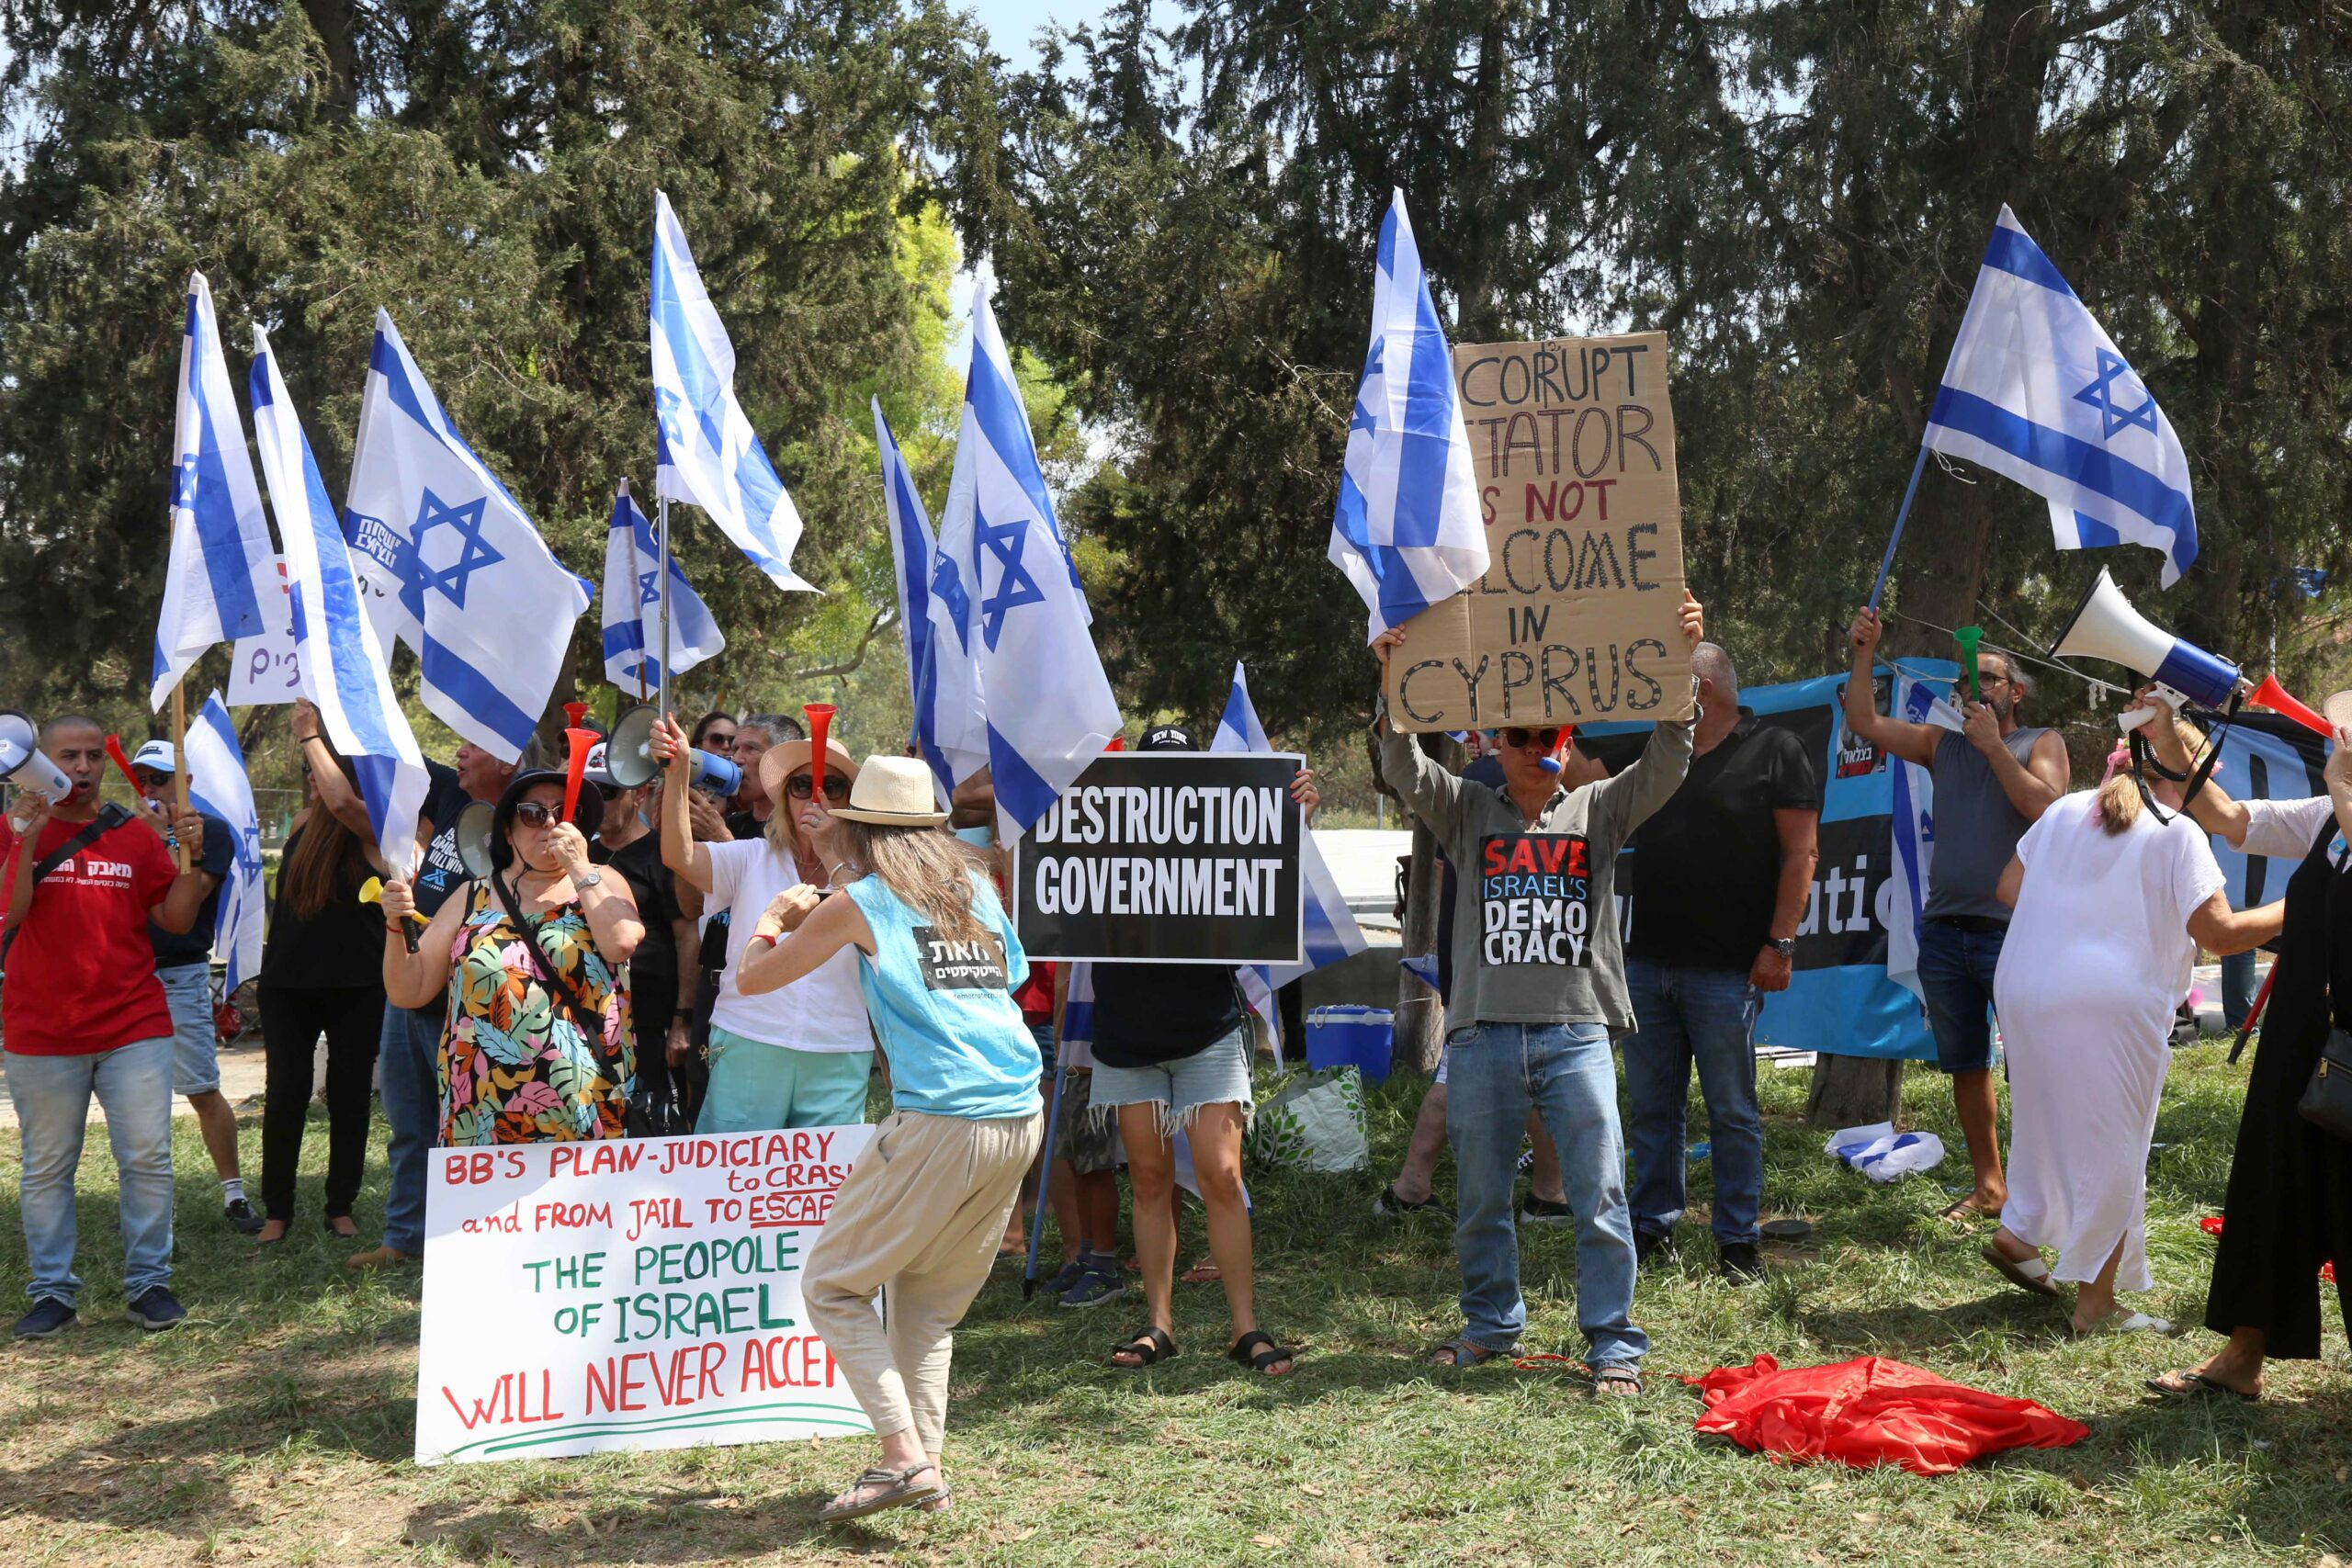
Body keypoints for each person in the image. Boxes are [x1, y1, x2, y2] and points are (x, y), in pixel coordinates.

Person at [1374, 590, 1706, 1393]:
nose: (1535, 748)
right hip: (1483, 1034)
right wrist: (1394, 683)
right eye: (1519, 736)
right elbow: (1403, 767)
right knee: (1483, 1197)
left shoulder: (1598, 807)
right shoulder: (1465, 809)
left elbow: (1668, 759)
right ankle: (1491, 1324)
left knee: (1599, 1195)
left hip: (1578, 1032)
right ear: (1494, 741)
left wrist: (1682, 666)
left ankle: (1614, 1346)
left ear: (1565, 739)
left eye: (1548, 735)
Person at [733, 755, 1045, 1522]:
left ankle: (902, 1459)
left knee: (832, 1285)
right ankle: (926, 1469)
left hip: (942, 1117)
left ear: (859, 825)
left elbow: (755, 980)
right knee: (925, 1307)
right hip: (1019, 1110)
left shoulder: (856, 902)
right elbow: (1007, 973)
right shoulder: (973, 886)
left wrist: (773, 920)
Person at [1983, 723, 2282, 1334]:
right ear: (2187, 776)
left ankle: (2019, 1234)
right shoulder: (2180, 833)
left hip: (2024, 985)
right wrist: (2303, 903)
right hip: (2109, 999)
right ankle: (2096, 1304)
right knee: (2118, 1145)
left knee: (2043, 1119)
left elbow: (2009, 886)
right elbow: (2220, 935)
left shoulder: (2067, 808)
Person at [2139, 701, 2352, 1399]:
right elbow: (2232, 820)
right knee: (2269, 1184)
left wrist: (2344, 787)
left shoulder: (2342, 806)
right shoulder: (2326, 814)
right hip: (2300, 1032)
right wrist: (2171, 741)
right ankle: (2241, 1357)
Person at [1092, 724, 1311, 1378]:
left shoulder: (1228, 839)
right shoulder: (1103, 838)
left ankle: (1245, 1326)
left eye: (1181, 773)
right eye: (1154, 772)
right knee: (1150, 1179)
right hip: (1126, 1036)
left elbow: (1272, 878)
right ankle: (1160, 1323)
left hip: (1208, 1030)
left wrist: (1294, 815)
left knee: (1222, 1176)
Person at [1843, 609, 2068, 1222]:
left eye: (1991, 679)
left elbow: (2045, 809)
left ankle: (2044, 1189)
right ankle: (1990, 1185)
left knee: (2033, 1067)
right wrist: (1864, 652)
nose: (1977, 687)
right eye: (1971, 681)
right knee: (1967, 1066)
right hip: (1944, 933)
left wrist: (1994, 747)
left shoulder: (2040, 742)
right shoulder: (1940, 744)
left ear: (2015, 691)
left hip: (2015, 933)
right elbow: (1862, 720)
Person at [303, 702, 542, 1269]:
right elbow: (385, 752)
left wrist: (309, 734)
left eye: (475, 745)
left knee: (464, 1125)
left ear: (509, 763)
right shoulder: (453, 800)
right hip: (412, 982)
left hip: (467, 1001)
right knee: (409, 1124)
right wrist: (339, 700)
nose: (459, 751)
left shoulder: (527, 831)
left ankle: (465, 1242)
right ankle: (404, 1238)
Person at [2, 714, 215, 1337]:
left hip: (134, 1023)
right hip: (42, 1031)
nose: (85, 768)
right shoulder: (13, 829)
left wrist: (190, 859)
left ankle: (149, 1284)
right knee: (46, 1166)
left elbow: (175, 920)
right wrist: (23, 838)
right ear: (40, 761)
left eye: (94, 755)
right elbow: (7, 912)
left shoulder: (131, 832)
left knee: (147, 1158)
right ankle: (52, 1293)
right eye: (70, 755)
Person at [1622, 643, 1820, 1280]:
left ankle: (1736, 1241)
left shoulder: (1775, 749)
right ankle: (1652, 1226)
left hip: (1727, 968)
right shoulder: (1658, 750)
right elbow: (1577, 773)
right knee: (1653, 1106)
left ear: (1701, 689)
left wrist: (1780, 942)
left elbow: (1802, 854)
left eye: (1665, 685)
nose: (1655, 698)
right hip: (1648, 962)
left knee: (1731, 1108)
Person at [379, 770, 641, 1143]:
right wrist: (395, 926)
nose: (550, 823)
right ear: (506, 830)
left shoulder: (602, 881)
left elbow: (622, 941)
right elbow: (411, 990)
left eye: (566, 813)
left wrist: (579, 866)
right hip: (480, 1110)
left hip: (583, 1107)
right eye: (534, 813)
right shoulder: (471, 895)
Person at [650, 712, 872, 1132]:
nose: (815, 797)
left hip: (838, 1048)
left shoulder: (871, 873)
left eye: (833, 786)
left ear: (850, 800)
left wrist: (829, 848)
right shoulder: (752, 856)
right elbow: (678, 857)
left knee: (821, 1191)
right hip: (748, 1039)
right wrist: (678, 774)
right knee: (731, 1183)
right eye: (802, 786)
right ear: (785, 796)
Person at [254, 745, 387, 1244]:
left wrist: (307, 734)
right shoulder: (300, 824)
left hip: (358, 986)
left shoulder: (373, 828)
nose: (312, 776)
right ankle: (277, 1211)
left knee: (349, 1097)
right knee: (285, 1094)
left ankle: (340, 1206)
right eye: (308, 767)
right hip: (287, 984)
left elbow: (346, 807)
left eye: (323, 770)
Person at [126, 740, 261, 1235]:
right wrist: (143, 839)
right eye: (143, 778)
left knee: (202, 1088)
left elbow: (183, 907)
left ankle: (234, 1194)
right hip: (129, 974)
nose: (150, 788)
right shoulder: (129, 830)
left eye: (160, 778)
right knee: (138, 1096)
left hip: (180, 974)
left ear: (187, 782)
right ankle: (152, 1203)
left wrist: (160, 842)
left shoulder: (212, 832)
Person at [587, 748, 705, 1128]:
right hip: (590, 1023)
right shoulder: (580, 855)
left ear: (638, 794)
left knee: (654, 1129)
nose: (595, 803)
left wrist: (683, 1021)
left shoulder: (662, 854)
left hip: (652, 1028)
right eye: (588, 792)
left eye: (606, 793)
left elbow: (688, 937)